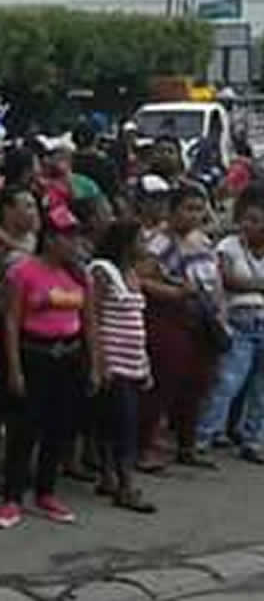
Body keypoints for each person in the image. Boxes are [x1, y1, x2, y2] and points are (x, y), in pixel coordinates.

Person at [0, 205, 92, 530]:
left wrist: (95, 364)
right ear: (49, 239)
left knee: (59, 427)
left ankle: (46, 491)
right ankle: (12, 496)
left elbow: (89, 323)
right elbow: (11, 321)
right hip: (36, 353)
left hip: (69, 355)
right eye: (66, 237)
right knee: (25, 429)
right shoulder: (24, 272)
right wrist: (15, 368)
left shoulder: (79, 276)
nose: (73, 244)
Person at [139, 182, 221, 472]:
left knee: (197, 384)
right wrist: (174, 293)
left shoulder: (201, 240)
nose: (195, 215)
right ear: (172, 212)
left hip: (202, 320)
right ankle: (145, 448)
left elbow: (214, 279)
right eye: (188, 209)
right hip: (170, 318)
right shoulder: (160, 242)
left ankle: (186, 446)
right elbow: (142, 279)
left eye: (200, 209)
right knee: (163, 384)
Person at [88, 221, 159, 513]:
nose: (146, 245)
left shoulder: (132, 273)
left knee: (114, 422)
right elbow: (94, 316)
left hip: (132, 360)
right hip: (113, 361)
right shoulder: (103, 271)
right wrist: (100, 360)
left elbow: (136, 322)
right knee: (123, 424)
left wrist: (144, 363)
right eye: (141, 239)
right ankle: (125, 484)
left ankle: (109, 477)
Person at [203, 188, 264, 464]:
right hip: (240, 319)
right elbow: (227, 280)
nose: (251, 226)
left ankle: (253, 438)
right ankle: (204, 433)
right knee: (229, 379)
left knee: (260, 387)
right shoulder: (228, 246)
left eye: (258, 221)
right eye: (248, 219)